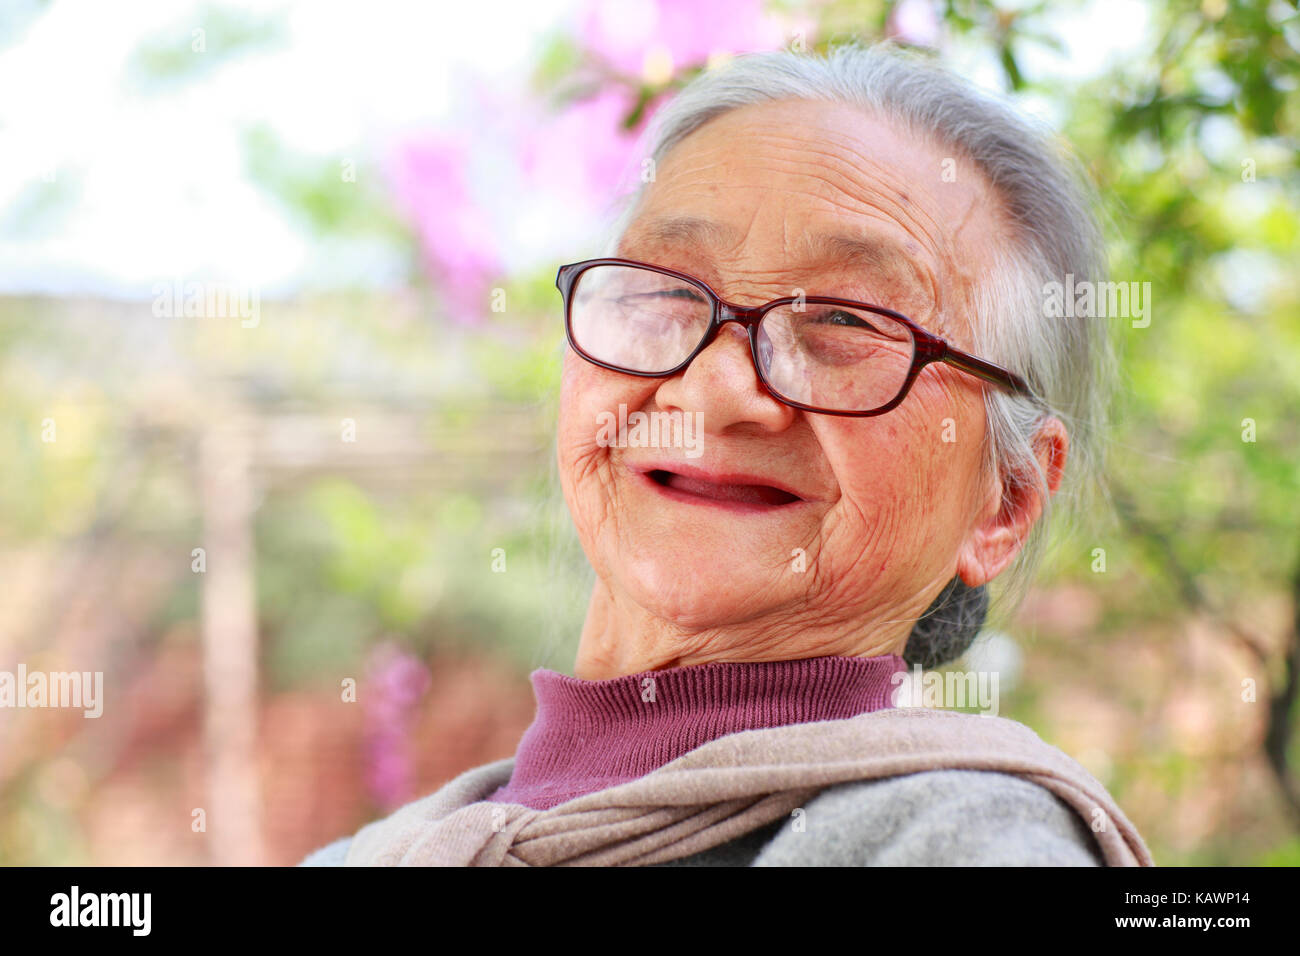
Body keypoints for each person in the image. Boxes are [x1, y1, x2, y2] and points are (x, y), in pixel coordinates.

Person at [301, 41, 1151, 867]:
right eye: (664, 290)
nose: (710, 392)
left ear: (1005, 498)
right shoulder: (376, 856)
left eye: (846, 321)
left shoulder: (957, 841)